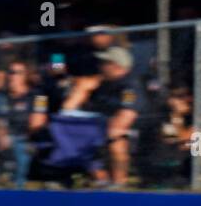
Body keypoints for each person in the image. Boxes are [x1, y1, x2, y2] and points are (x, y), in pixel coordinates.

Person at [60, 46, 142, 187]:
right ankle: (101, 180)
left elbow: (124, 118)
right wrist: (82, 89)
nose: (100, 66)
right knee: (69, 133)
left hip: (132, 132)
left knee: (116, 140)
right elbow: (67, 109)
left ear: (116, 66)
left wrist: (99, 133)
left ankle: (119, 184)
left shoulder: (130, 87)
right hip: (99, 129)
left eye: (104, 63)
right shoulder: (101, 83)